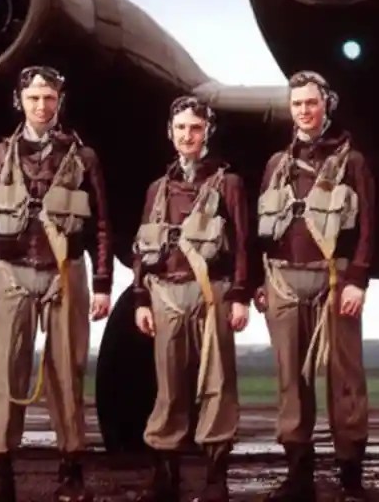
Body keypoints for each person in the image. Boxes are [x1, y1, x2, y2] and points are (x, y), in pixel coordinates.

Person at [0, 65, 112, 502]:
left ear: (59, 102)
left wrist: (102, 284)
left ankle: (71, 471)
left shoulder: (84, 159)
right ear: (20, 102)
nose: (41, 106)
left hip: (66, 273)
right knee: (6, 370)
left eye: (49, 98)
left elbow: (102, 224)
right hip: (9, 273)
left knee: (68, 371)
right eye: (33, 98)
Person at [252, 71, 376, 501]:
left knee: (345, 379)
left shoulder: (352, 162)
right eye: (297, 104)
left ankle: (350, 477)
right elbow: (261, 233)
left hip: (335, 280)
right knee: (290, 379)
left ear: (327, 104)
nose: (304, 111)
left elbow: (367, 229)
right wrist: (257, 284)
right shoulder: (275, 164)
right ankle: (298, 473)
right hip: (284, 280)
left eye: (312, 102)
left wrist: (358, 279)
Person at [127, 96, 252, 502]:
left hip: (211, 293)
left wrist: (239, 295)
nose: (187, 136)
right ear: (170, 132)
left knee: (217, 384)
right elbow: (142, 247)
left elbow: (244, 245)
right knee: (169, 386)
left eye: (195, 128)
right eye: (180, 128)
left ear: (207, 133)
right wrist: (140, 298)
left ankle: (216, 478)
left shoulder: (228, 185)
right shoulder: (157, 190)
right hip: (166, 292)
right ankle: (166, 477)